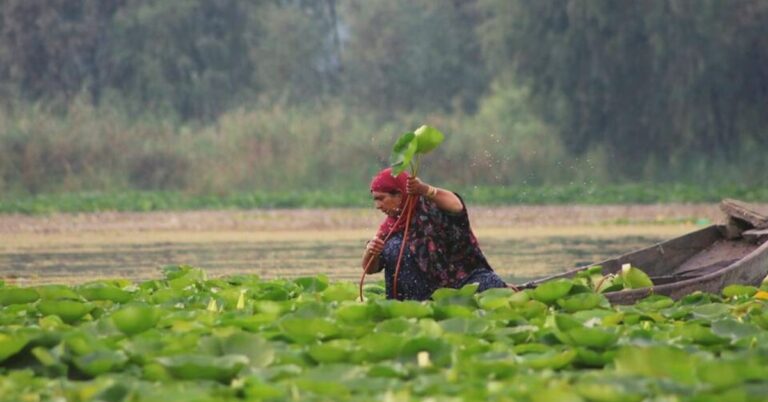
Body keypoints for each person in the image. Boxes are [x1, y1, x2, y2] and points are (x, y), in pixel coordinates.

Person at [362, 167, 507, 300]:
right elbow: (370, 269)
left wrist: (423, 189)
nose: (377, 206)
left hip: (459, 285)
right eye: (375, 199)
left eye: (381, 199)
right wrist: (371, 252)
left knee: (488, 286)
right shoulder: (388, 228)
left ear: (399, 195)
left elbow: (456, 205)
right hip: (414, 301)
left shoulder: (431, 209)